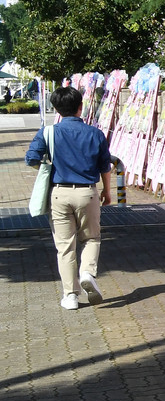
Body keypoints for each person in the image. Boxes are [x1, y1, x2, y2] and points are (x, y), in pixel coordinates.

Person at [25, 86, 113, 310]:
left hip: (59, 193)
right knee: (92, 238)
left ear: (56, 109)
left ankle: (70, 296)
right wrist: (107, 190)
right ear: (80, 107)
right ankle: (87, 273)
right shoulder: (95, 134)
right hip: (87, 193)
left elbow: (31, 158)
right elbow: (105, 166)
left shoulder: (48, 132)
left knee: (65, 247)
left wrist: (48, 168)